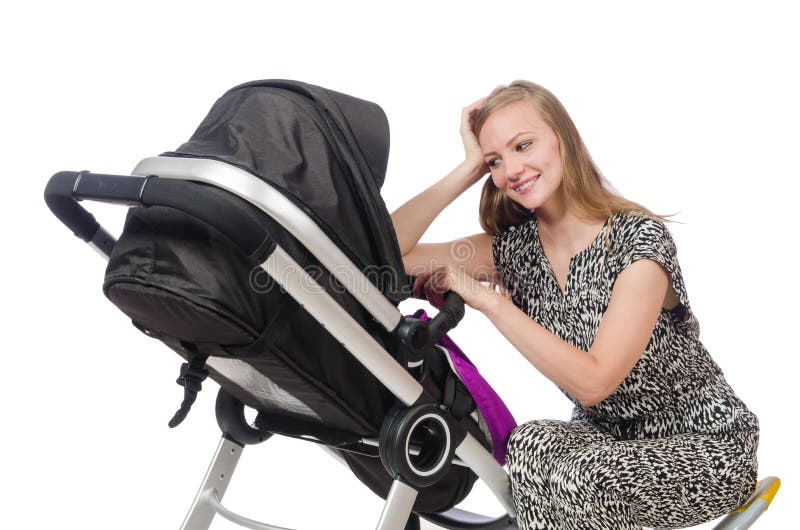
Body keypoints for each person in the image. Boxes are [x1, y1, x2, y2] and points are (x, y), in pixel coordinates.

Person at [390, 80, 759, 530]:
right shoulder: (514, 250)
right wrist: (467, 168)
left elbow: (595, 381)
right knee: (527, 446)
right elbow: (389, 250)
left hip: (705, 444)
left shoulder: (638, 242)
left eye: (524, 145)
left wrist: (485, 298)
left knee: (583, 475)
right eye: (496, 161)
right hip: (603, 438)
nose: (512, 170)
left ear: (562, 138)